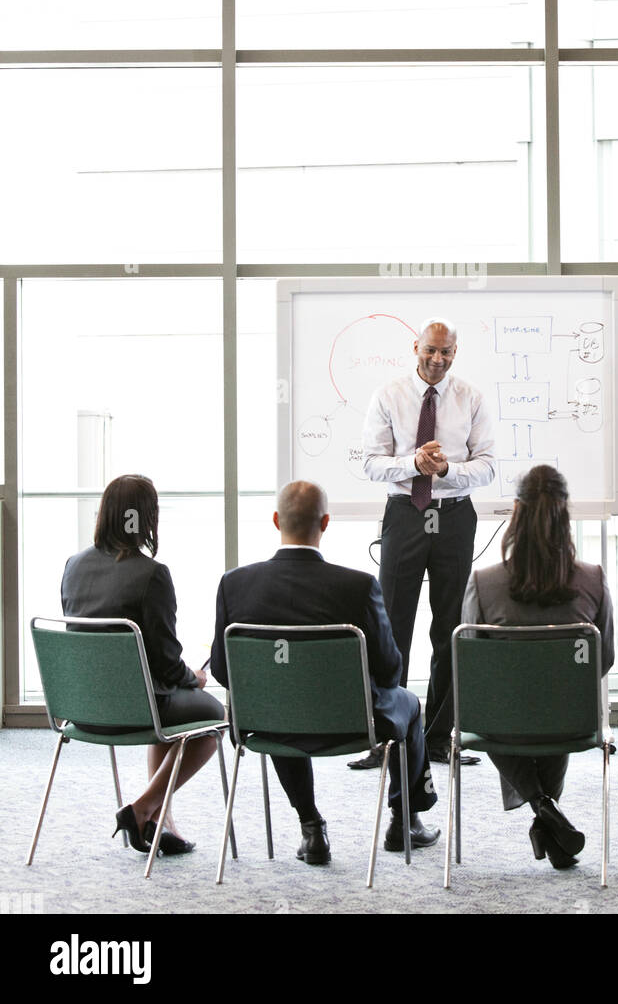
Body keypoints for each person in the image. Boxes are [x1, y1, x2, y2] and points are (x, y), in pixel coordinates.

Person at [209, 480, 438, 865]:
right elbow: (389, 669)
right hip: (351, 723)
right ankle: (403, 822)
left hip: (267, 721)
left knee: (281, 704)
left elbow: (221, 669)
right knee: (410, 703)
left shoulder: (235, 584)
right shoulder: (358, 586)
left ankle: (311, 827)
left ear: (276, 520)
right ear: (326, 522)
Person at [354, 316, 496, 769]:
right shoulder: (388, 395)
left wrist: (448, 471)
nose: (437, 359)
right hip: (405, 514)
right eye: (430, 350)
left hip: (454, 516)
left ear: (455, 352)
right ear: (416, 348)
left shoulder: (470, 397)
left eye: (446, 352)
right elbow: (372, 465)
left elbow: (489, 465)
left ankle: (438, 739)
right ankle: (388, 737)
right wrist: (414, 463)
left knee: (450, 627)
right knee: (392, 625)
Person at [61, 474, 224, 857]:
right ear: (146, 519)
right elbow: (168, 667)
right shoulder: (152, 574)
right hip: (134, 709)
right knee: (213, 718)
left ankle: (158, 819)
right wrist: (195, 677)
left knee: (162, 701)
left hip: (81, 708)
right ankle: (143, 808)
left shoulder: (72, 566)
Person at [461, 464, 614, 870]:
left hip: (502, 721)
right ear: (566, 514)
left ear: (516, 511)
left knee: (500, 712)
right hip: (572, 721)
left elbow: (470, 667)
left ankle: (540, 805)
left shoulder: (484, 582)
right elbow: (605, 658)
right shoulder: (594, 580)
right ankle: (549, 811)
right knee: (557, 699)